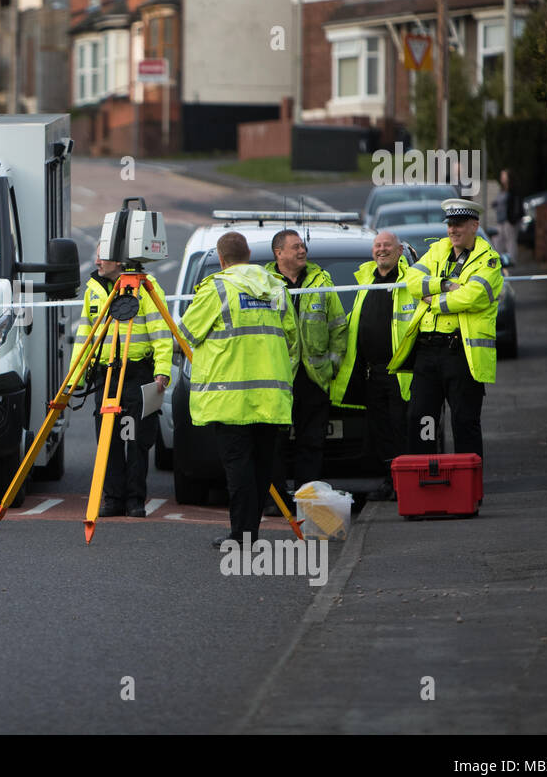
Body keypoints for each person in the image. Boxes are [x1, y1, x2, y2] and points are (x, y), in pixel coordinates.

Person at [180, 232, 298, 547]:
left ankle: (241, 535)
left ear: (221, 259)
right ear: (248, 255)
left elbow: (187, 333)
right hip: (270, 397)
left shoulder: (217, 288)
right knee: (260, 469)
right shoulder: (275, 287)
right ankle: (250, 533)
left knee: (238, 470)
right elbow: (292, 338)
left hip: (230, 398)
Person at [390, 198, 503, 465]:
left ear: (474, 225)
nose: (452, 230)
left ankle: (468, 494)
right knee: (421, 419)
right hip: (427, 351)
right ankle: (425, 485)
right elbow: (412, 280)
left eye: (459, 224)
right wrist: (444, 284)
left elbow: (472, 297)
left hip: (462, 353)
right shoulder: (438, 250)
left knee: (464, 422)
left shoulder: (489, 260)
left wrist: (435, 301)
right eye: (450, 225)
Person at [70, 254, 173, 518]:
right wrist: (75, 378)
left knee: (136, 439)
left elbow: (161, 332)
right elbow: (85, 334)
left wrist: (162, 370)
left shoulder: (144, 287)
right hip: (106, 376)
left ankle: (135, 500)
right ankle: (113, 498)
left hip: (138, 374)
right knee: (109, 439)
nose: (96, 262)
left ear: (119, 261)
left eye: (102, 257)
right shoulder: (93, 289)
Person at [329, 231, 416, 501]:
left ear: (400, 250)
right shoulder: (366, 279)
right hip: (371, 372)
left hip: (401, 372)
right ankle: (389, 481)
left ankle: (406, 485)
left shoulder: (410, 280)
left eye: (387, 246)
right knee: (380, 432)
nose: (381, 250)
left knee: (401, 429)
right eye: (377, 246)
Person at [267, 229, 347, 493]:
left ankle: (307, 500)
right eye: (295, 247)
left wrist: (331, 365)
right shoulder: (263, 284)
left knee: (312, 443)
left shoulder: (321, 281)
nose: (302, 251)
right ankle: (275, 499)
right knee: (274, 444)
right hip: (278, 378)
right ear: (279, 253)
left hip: (314, 377)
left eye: (303, 246)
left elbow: (338, 326)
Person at [494, 168, 520, 262]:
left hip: (509, 220)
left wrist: (513, 219)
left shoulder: (513, 190)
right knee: (498, 241)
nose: (502, 178)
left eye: (504, 176)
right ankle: (497, 260)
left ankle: (511, 261)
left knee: (510, 241)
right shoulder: (502, 190)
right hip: (500, 220)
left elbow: (516, 205)